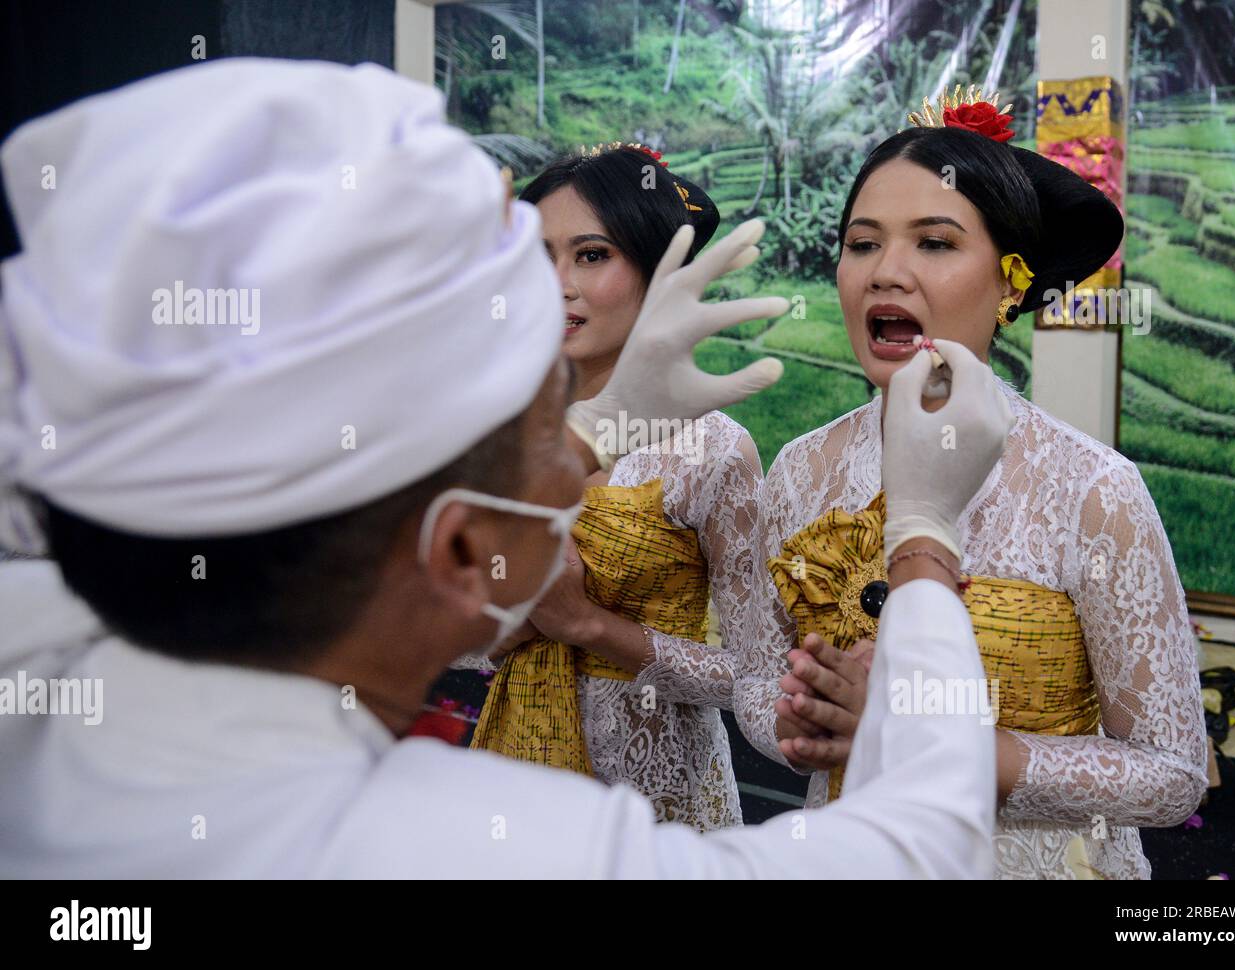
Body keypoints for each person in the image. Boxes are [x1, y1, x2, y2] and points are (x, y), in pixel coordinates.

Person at [0, 59, 1004, 878]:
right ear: (460, 551)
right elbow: (918, 848)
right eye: (546, 440)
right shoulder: (484, 852)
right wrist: (923, 533)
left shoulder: (36, 670)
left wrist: (593, 423)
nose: (576, 471)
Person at [734, 88, 1208, 879]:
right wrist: (803, 718)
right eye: (862, 243)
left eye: (935, 243)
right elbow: (755, 677)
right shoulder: (802, 471)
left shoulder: (1092, 488)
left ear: (1011, 282)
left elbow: (1171, 775)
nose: (888, 272)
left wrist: (929, 740)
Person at [465, 145, 760, 831]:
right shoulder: (492, 433)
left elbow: (754, 680)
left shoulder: (711, 449)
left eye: (591, 255)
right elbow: (428, 628)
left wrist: (587, 625)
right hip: (514, 793)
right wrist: (511, 626)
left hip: (662, 814)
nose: (558, 283)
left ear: (660, 275)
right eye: (537, 257)